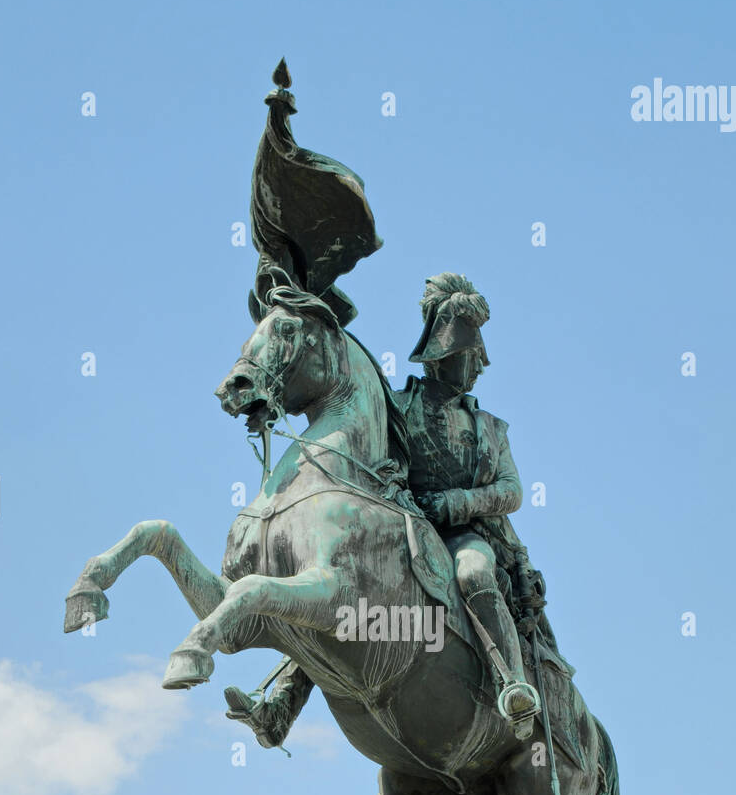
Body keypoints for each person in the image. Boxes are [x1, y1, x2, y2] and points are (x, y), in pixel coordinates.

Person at [225, 272, 541, 746]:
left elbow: (511, 490)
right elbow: (370, 446)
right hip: (402, 519)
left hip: (461, 534)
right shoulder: (400, 405)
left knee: (475, 571)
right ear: (446, 355)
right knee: (341, 582)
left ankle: (510, 681)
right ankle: (282, 704)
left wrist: (456, 503)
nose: (480, 366)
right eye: (473, 356)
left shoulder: (490, 428)